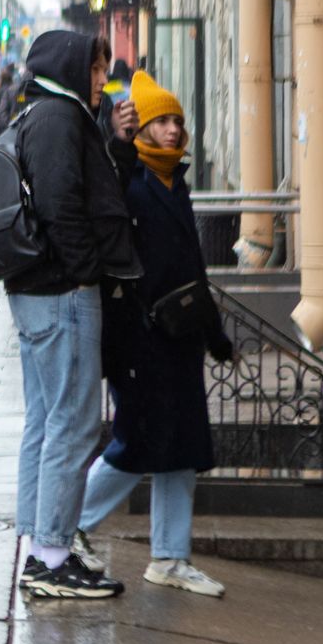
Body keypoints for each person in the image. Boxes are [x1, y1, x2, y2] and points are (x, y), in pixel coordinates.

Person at [77, 72, 231, 597]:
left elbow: (191, 265)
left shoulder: (174, 181)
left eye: (177, 122)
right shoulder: (131, 179)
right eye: (161, 121)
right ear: (140, 129)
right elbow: (103, 206)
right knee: (136, 439)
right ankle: (70, 527)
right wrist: (117, 139)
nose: (171, 130)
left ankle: (170, 556)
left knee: (183, 445)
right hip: (139, 336)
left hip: (180, 336)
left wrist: (212, 331)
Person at [8, 31, 140, 598]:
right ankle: (53, 557)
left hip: (39, 288)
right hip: (63, 291)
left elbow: (83, 187)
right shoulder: (60, 117)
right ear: (70, 66)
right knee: (74, 423)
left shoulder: (44, 114)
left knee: (45, 421)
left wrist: (114, 140)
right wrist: (86, 270)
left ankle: (42, 545)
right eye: (95, 69)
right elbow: (63, 202)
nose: (102, 81)